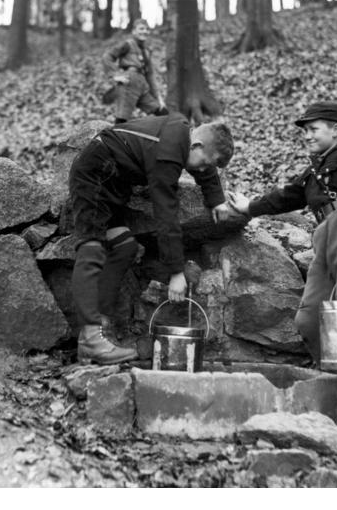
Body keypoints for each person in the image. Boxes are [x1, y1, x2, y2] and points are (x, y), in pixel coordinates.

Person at [227, 102, 337, 432]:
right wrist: (249, 208)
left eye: (314, 129)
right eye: (305, 130)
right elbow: (288, 196)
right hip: (325, 235)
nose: (307, 135)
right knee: (309, 318)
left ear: (336, 130)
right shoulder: (318, 167)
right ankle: (336, 382)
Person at [69, 113, 234, 365]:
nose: (201, 170)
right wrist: (176, 272)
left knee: (124, 247)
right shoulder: (167, 156)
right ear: (196, 145)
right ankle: (91, 340)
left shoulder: (183, 136)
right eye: (204, 162)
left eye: (206, 166)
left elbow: (205, 168)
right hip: (94, 175)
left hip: (113, 184)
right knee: (92, 248)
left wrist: (216, 200)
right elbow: (166, 216)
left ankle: (101, 330)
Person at [102, 19, 167, 124]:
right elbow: (107, 56)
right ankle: (113, 139)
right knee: (122, 119)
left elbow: (150, 75)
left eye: (146, 29)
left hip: (142, 86)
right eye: (141, 28)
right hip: (128, 84)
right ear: (134, 31)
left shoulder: (146, 51)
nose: (144, 31)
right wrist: (115, 75)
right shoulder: (127, 44)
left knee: (162, 112)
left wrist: (159, 97)